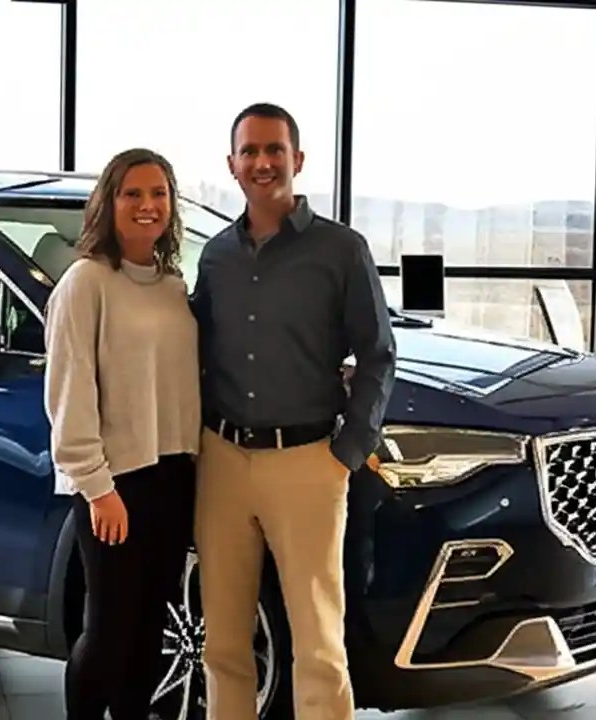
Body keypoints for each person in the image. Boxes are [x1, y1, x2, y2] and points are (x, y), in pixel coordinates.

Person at [191, 102, 397, 719]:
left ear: (297, 160)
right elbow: (193, 350)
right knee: (223, 642)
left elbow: (378, 353)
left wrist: (348, 452)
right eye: (250, 151)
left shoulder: (341, 250)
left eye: (274, 150)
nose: (262, 162)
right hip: (222, 461)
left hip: (309, 462)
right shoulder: (216, 258)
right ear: (232, 165)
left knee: (319, 644)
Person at [43, 147, 201, 719]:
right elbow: (69, 392)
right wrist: (97, 487)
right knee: (108, 633)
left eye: (158, 193)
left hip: (173, 477)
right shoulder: (85, 283)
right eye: (132, 193)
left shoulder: (172, 285)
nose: (146, 204)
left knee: (150, 631)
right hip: (115, 484)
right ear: (108, 202)